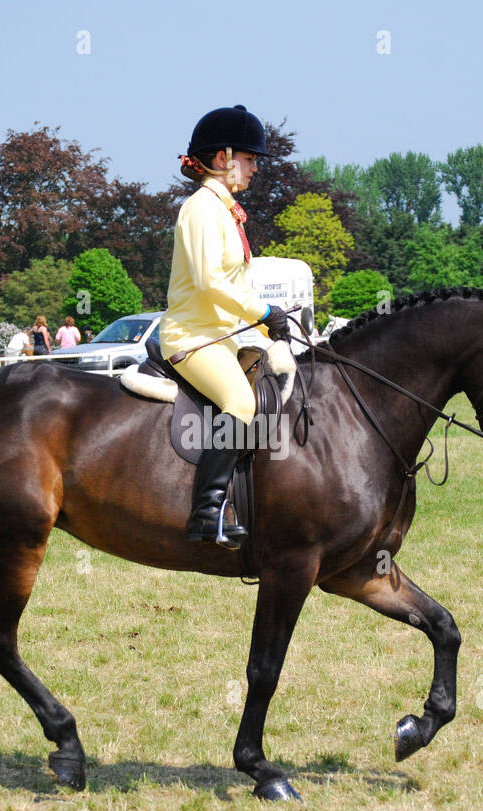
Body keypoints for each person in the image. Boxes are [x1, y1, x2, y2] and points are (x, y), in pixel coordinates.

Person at [161, 104, 291, 548]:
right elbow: (208, 282)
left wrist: (267, 332)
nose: (255, 168)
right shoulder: (201, 208)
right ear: (223, 159)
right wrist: (264, 312)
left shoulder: (226, 210)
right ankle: (207, 512)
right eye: (250, 159)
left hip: (223, 337)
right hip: (192, 338)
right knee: (239, 401)